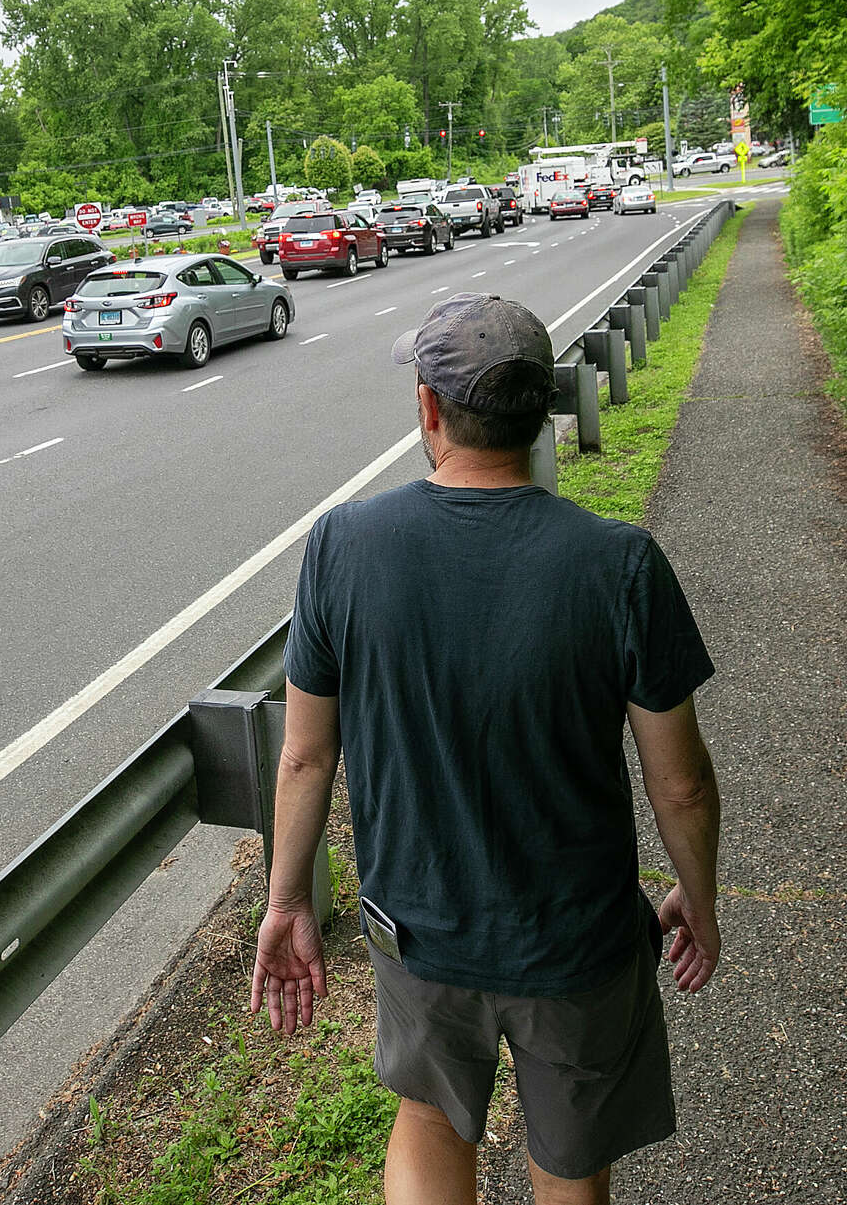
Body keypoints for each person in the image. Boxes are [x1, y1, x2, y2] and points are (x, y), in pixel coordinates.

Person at [251, 293, 722, 1205]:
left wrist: (288, 900)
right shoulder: (621, 564)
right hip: (578, 940)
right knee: (572, 1160)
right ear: (544, 410)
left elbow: (305, 756)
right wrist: (697, 895)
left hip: (418, 928)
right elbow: (684, 786)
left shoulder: (343, 544)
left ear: (429, 408)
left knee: (429, 1120)